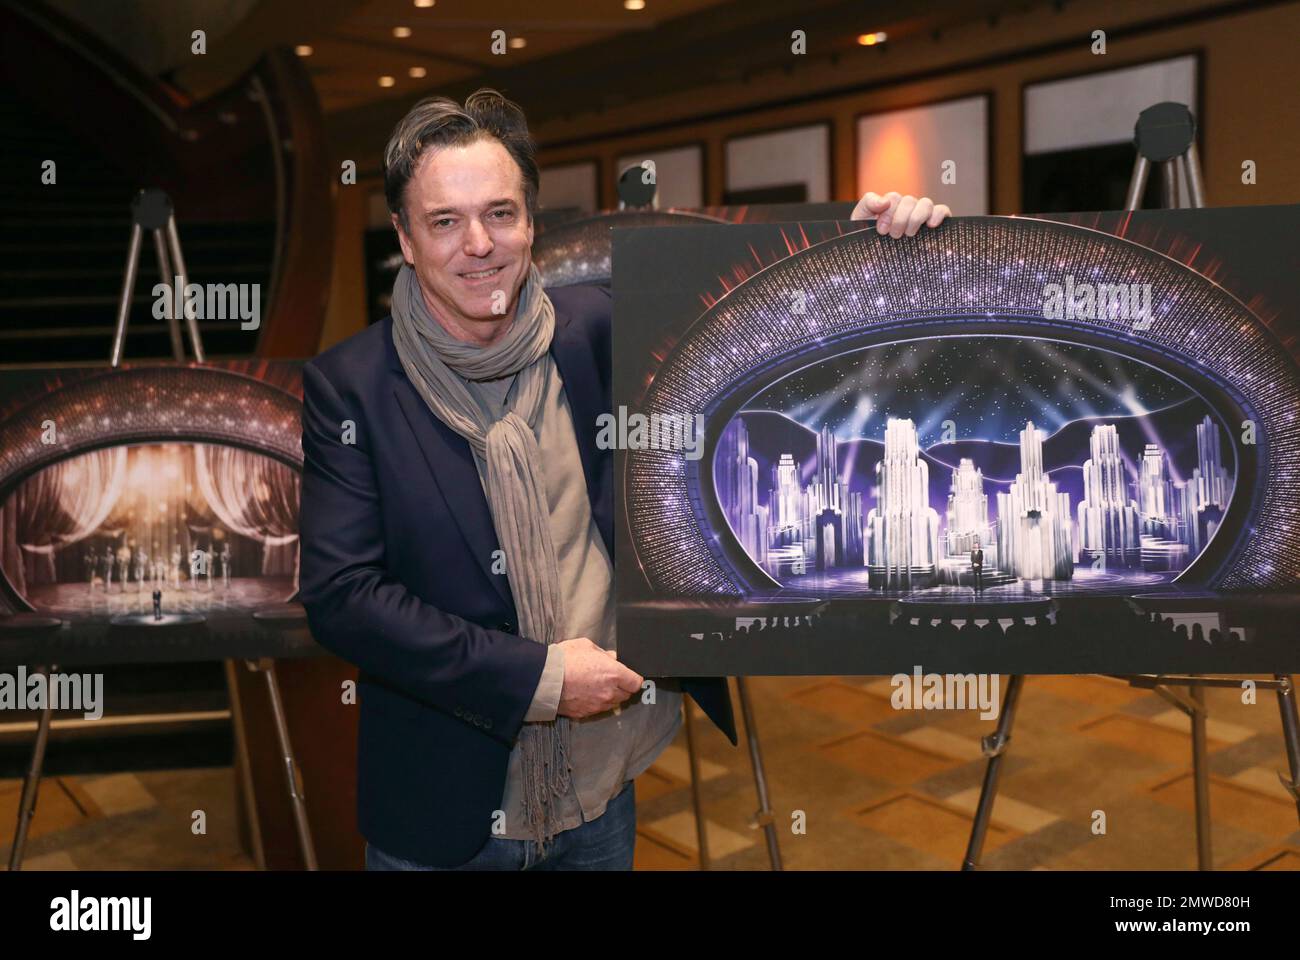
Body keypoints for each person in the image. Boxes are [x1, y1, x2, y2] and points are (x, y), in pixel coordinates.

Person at [299, 88, 950, 872]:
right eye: (445, 221)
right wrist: (539, 680)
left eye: (501, 214)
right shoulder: (353, 386)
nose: (479, 243)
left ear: (532, 224)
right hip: (447, 809)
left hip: (602, 783)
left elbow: (758, 342)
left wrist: (872, 245)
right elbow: (344, 599)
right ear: (404, 237)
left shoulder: (597, 332)